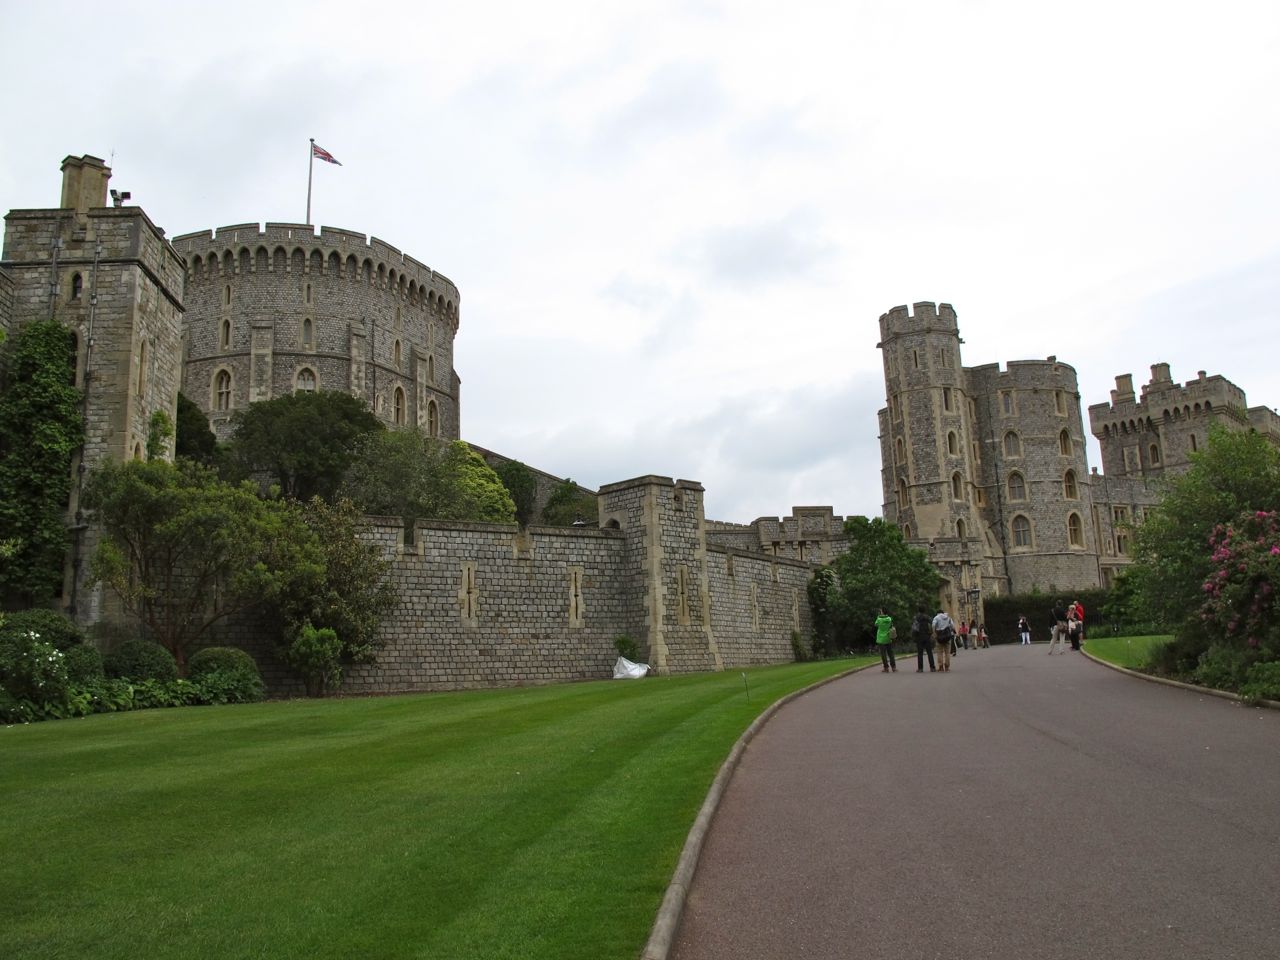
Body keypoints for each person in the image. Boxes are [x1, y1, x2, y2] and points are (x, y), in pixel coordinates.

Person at [910, 607, 936, 672]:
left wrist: (914, 636)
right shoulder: (927, 617)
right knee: (929, 652)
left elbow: (914, 628)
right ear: (925, 611)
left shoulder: (916, 618)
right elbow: (933, 624)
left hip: (919, 636)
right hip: (927, 636)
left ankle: (920, 668)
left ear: (918, 611)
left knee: (920, 653)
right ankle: (932, 667)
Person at [874, 608, 897, 672]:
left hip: (881, 639)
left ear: (882, 612)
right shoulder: (889, 619)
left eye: (881, 611)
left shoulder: (879, 619)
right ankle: (893, 667)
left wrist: (878, 616)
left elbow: (875, 624)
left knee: (883, 654)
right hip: (888, 637)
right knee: (890, 653)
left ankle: (886, 667)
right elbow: (891, 625)